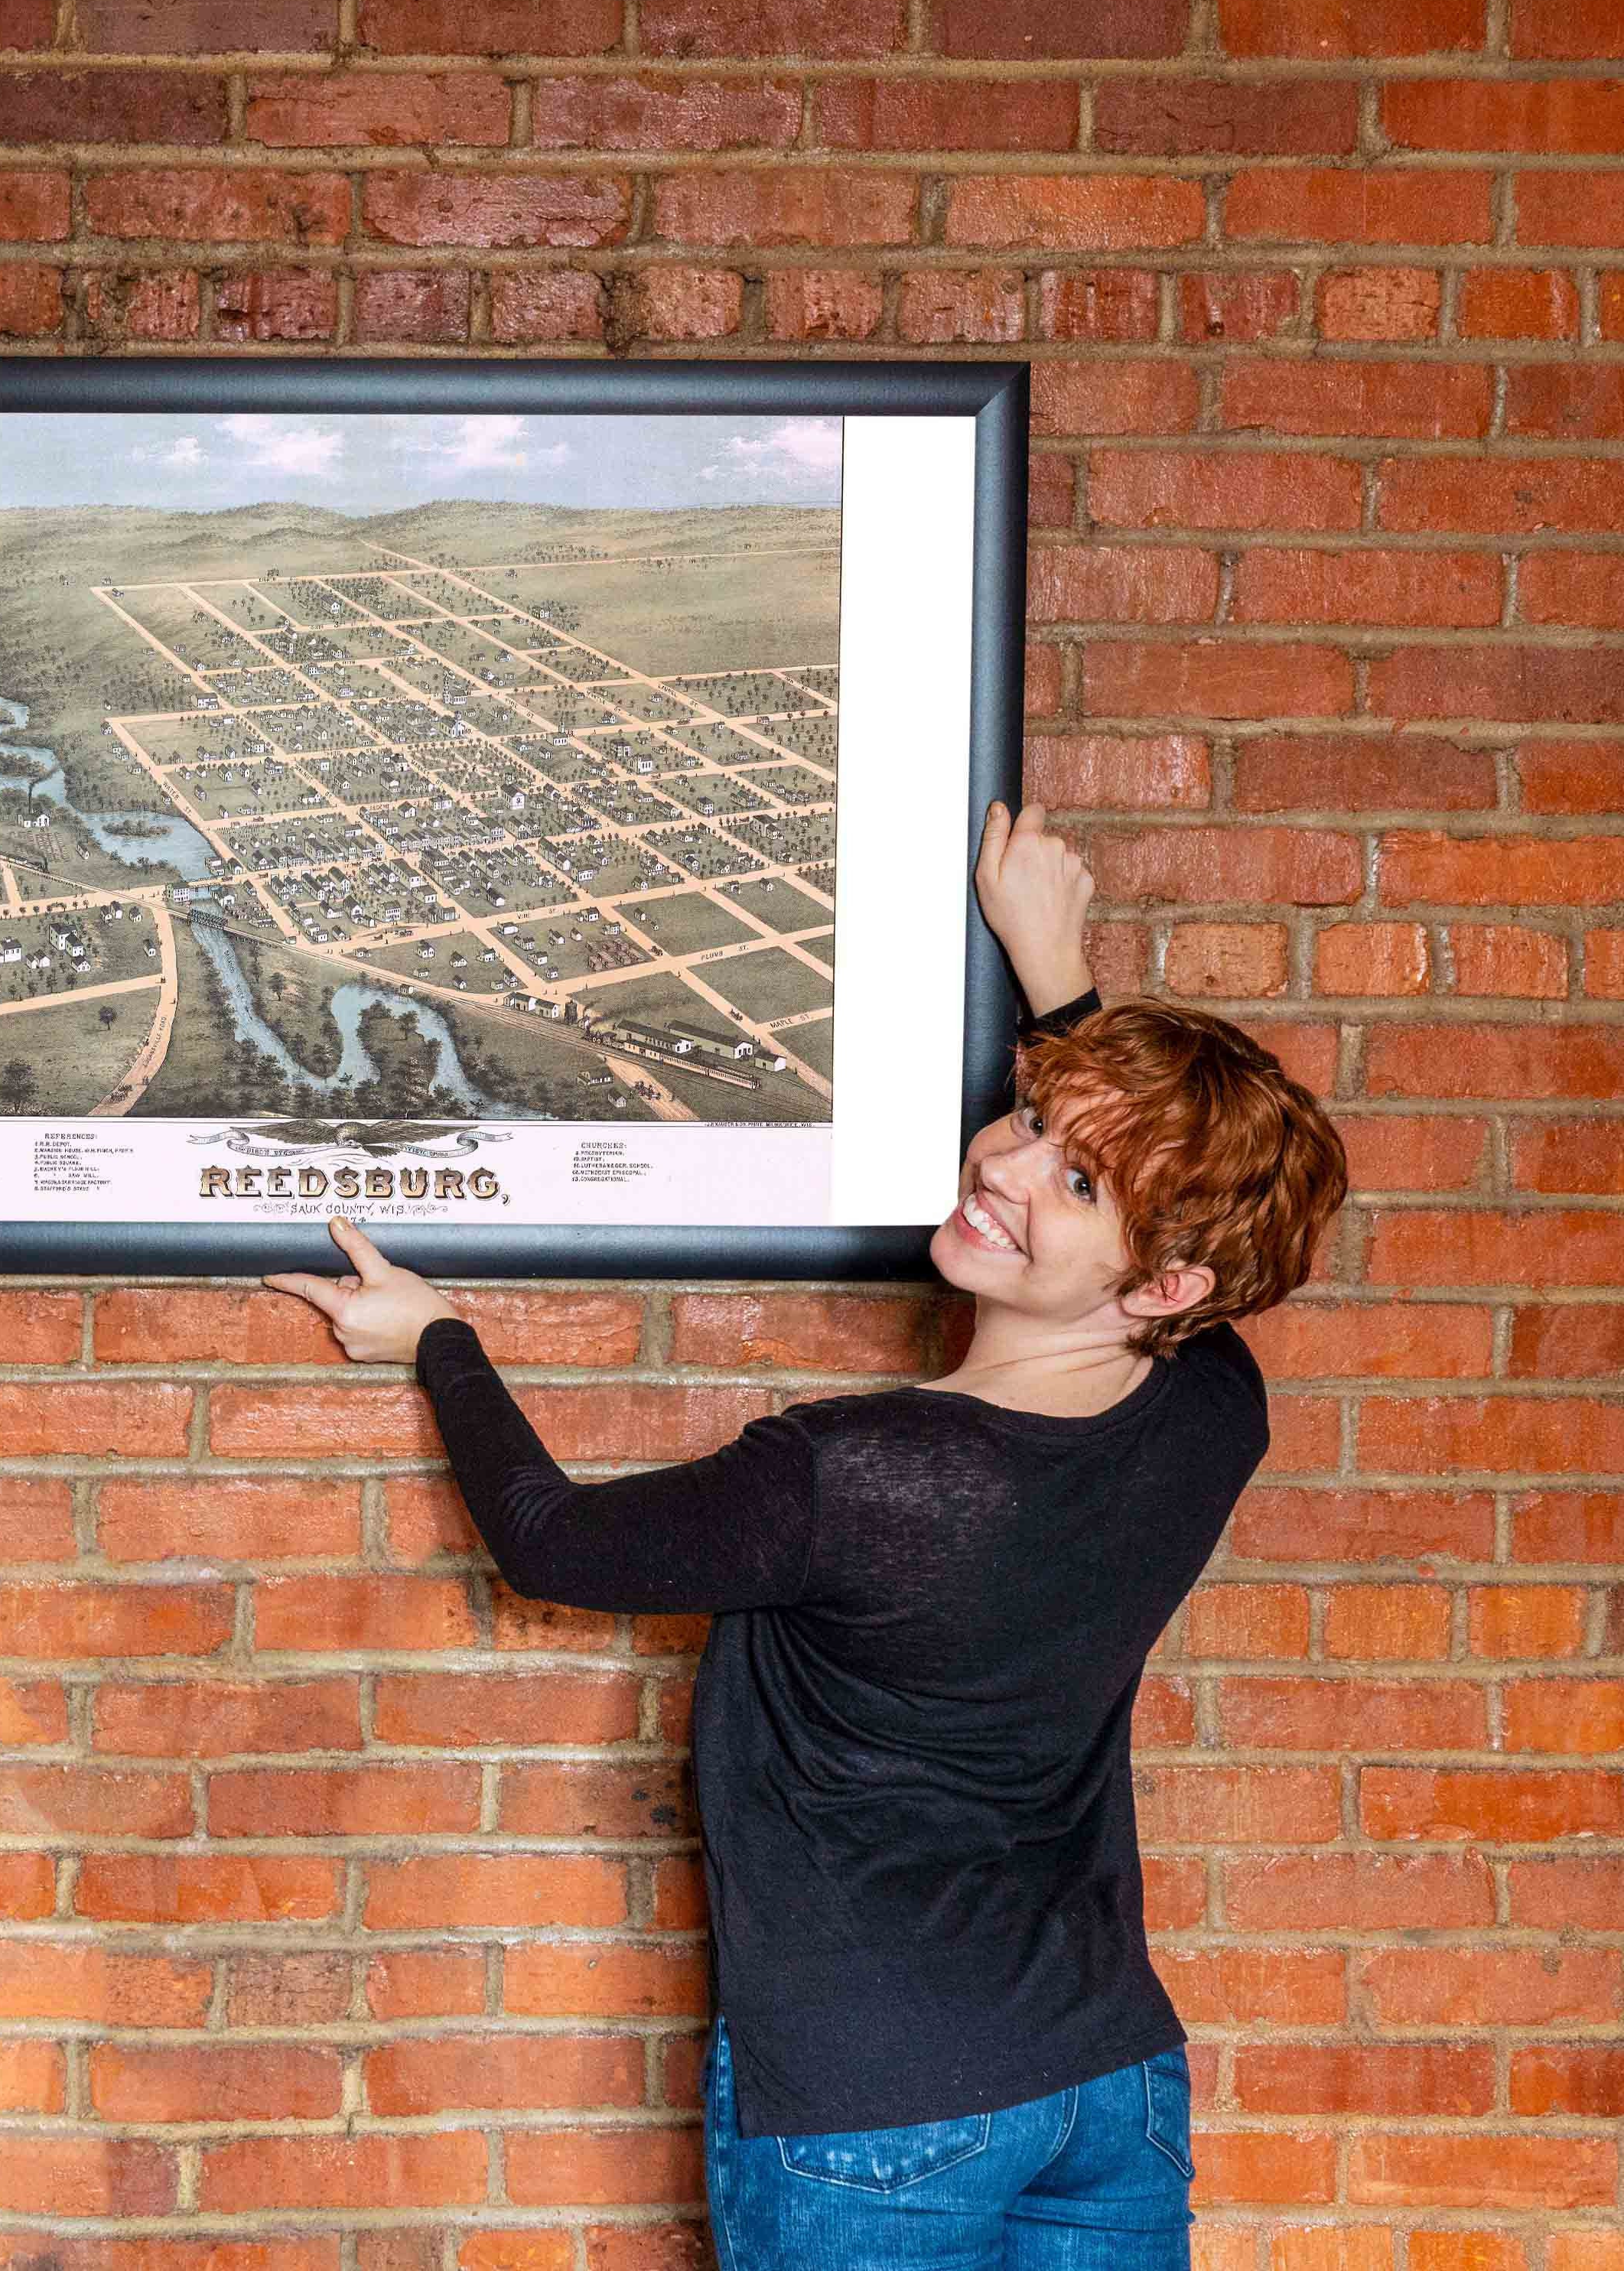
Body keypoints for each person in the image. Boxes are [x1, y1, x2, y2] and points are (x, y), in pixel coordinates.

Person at [265, 799, 1349, 2271]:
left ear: (1162, 1287)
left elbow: (553, 1547)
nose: (1005, 1165)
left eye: (1075, 1184)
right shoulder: (1215, 1409)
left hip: (875, 2113)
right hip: (1111, 2088)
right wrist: (1059, 976)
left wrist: (440, 1338)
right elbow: (1183, 1235)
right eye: (1035, 1123)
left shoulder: (852, 1475)